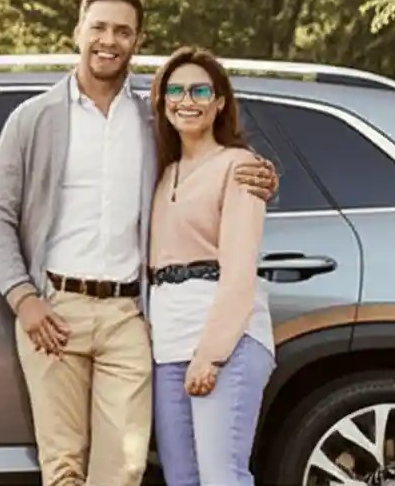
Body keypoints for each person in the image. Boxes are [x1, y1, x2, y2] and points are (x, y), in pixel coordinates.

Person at [0, 0, 278, 486]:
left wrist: (265, 176)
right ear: (77, 32)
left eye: (123, 31)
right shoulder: (31, 120)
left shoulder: (153, 120)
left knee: (124, 470)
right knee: (64, 469)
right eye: (98, 27)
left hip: (129, 318)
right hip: (54, 310)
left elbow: (207, 164)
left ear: (137, 42)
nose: (109, 40)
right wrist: (24, 298)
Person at [147, 46, 275, 486]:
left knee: (223, 477)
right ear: (162, 102)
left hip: (226, 341)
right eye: (176, 90)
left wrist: (212, 353)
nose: (188, 100)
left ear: (220, 101)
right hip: (169, 345)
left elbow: (239, 268)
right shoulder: (162, 173)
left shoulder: (239, 166)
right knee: (182, 478)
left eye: (201, 90)